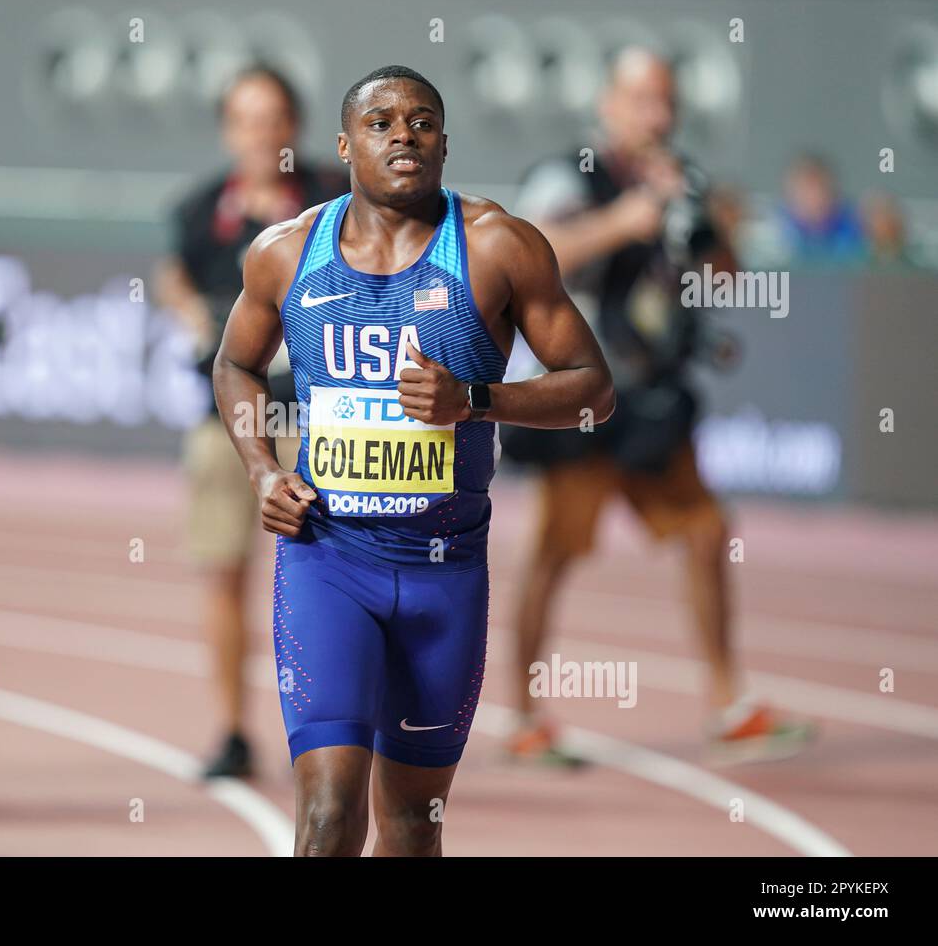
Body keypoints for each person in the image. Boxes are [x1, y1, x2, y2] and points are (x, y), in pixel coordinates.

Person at [213, 65, 614, 855]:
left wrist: (477, 400)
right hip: (329, 560)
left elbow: (595, 391)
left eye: (423, 121)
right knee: (328, 814)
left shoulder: (499, 245)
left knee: (411, 823)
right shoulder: (286, 254)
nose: (404, 134)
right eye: (382, 122)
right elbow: (233, 363)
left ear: (443, 143)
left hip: (446, 570)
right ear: (343, 145)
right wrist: (263, 469)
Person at [503, 47, 816, 767]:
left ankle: (727, 702)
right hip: (581, 395)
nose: (659, 115)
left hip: (651, 398)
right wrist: (625, 220)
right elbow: (536, 250)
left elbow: (726, 280)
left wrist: (707, 224)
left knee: (707, 532)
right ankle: (522, 713)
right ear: (608, 104)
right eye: (642, 99)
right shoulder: (571, 172)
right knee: (554, 553)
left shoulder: (684, 181)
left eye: (666, 101)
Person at [154, 65, 345, 778]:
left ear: (293, 126)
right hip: (227, 423)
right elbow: (172, 274)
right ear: (228, 129)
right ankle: (233, 732)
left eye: (273, 119)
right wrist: (185, 305)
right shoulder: (202, 210)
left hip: (321, 416)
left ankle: (336, 732)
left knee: (332, 578)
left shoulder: (334, 199)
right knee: (223, 572)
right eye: (246, 119)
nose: (261, 134)